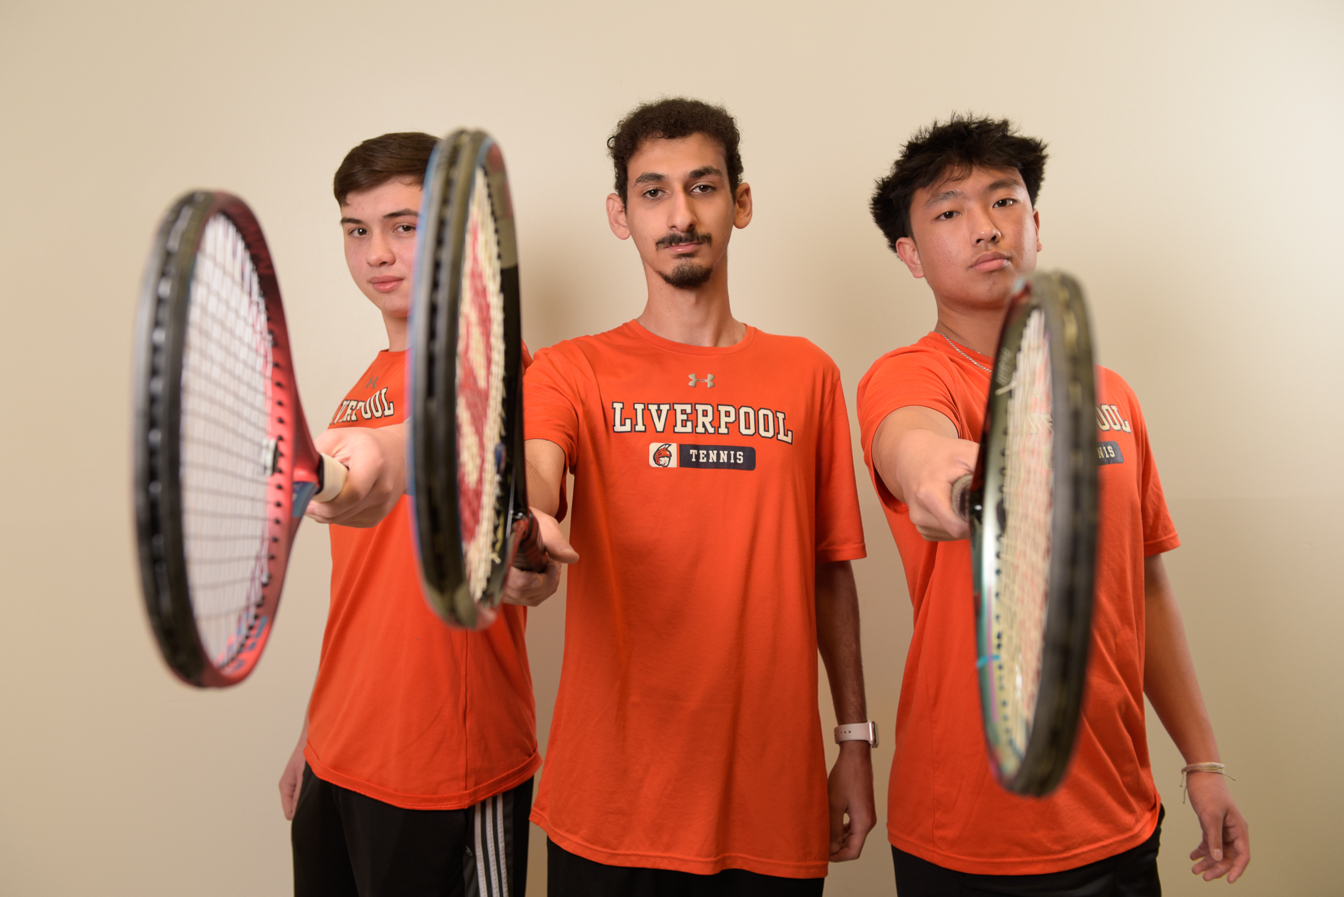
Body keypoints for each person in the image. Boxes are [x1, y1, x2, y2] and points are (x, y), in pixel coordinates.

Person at [858, 115, 1250, 894]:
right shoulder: (910, 376)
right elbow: (912, 444)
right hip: (968, 827)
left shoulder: (1109, 396)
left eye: (1004, 201)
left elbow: (1144, 586)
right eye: (948, 212)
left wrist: (1202, 760)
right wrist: (943, 476)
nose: (984, 227)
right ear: (909, 255)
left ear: (1035, 223)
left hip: (1118, 812)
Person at [521, 98, 876, 896]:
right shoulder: (570, 370)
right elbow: (539, 479)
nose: (679, 215)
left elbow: (829, 570)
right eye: (652, 192)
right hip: (611, 808)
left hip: (770, 803)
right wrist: (530, 528)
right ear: (620, 214)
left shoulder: (808, 372)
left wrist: (854, 739)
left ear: (740, 202)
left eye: (702, 187)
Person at [278, 131, 573, 897]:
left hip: (448, 769)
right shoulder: (365, 384)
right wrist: (314, 734)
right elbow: (362, 589)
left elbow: (473, 459)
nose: (377, 252)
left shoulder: (509, 378)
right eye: (356, 228)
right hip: (338, 756)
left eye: (404, 226)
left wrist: (360, 474)